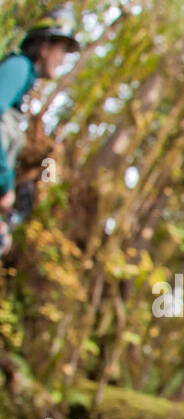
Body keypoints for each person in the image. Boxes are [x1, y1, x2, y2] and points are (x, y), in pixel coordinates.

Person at [0, 6, 80, 255]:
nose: (63, 58)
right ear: (44, 47)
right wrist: (5, 187)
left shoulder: (23, 83)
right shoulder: (19, 66)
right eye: (61, 50)